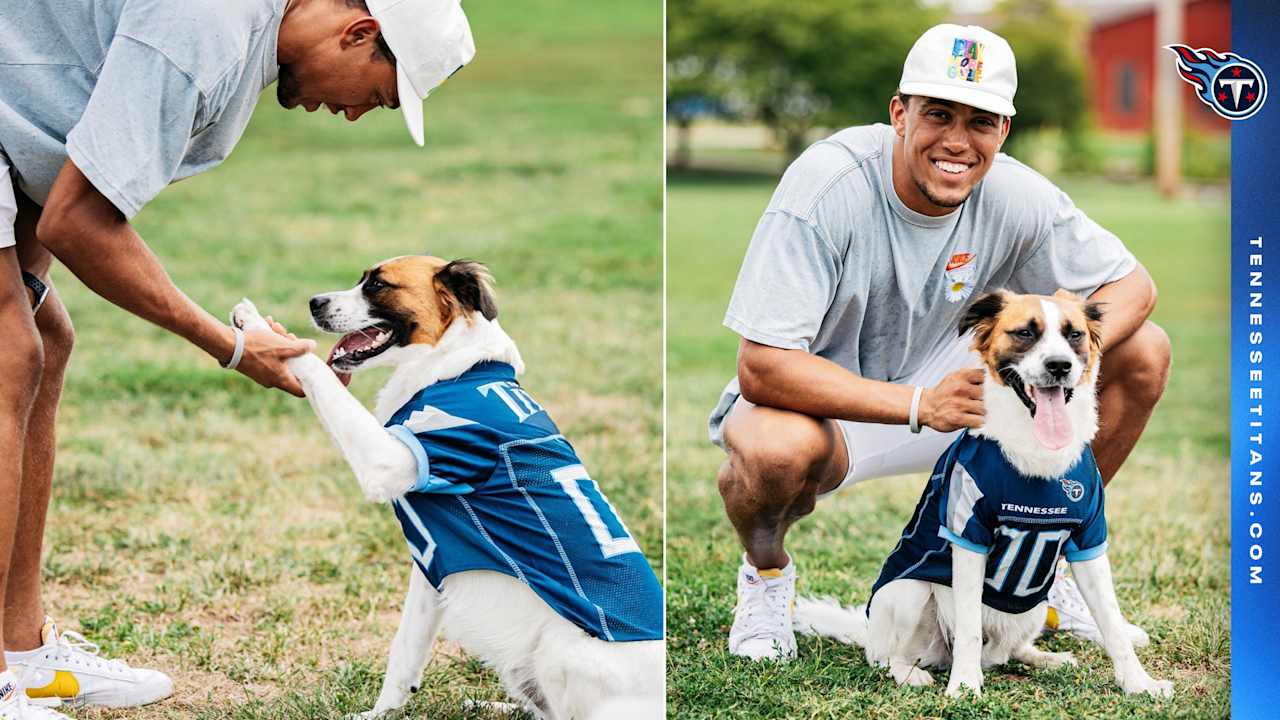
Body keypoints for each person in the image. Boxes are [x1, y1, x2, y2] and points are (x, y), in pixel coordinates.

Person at [0, 0, 475, 714]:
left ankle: (22, 652)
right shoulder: (206, 26)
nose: (350, 116)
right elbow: (80, 219)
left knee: (42, 338)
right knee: (8, 352)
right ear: (359, 32)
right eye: (373, 97)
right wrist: (230, 346)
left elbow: (49, 174)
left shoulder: (243, 44)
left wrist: (28, 280)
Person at [709, 24, 1171, 662]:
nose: (957, 141)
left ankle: (1048, 564)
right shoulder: (827, 185)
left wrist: (1061, 359)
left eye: (981, 121)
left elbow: (1133, 285)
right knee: (770, 450)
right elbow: (762, 366)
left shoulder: (1017, 192)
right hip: (836, 404)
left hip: (976, 395)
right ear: (899, 114)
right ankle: (766, 582)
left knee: (1143, 350)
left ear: (1002, 131)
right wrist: (918, 403)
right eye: (938, 114)